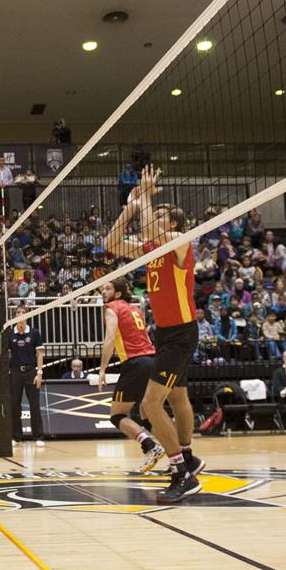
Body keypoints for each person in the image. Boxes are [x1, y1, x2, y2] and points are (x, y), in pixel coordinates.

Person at [104, 167, 203, 503]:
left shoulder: (179, 242)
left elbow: (150, 229)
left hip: (182, 333)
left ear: (173, 223)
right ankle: (188, 457)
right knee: (177, 399)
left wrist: (145, 196)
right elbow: (111, 243)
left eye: (161, 214)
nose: (154, 217)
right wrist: (130, 207)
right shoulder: (151, 250)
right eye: (155, 213)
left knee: (149, 404)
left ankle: (181, 473)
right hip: (165, 334)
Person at [95, 278, 165, 472]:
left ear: (117, 293)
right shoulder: (135, 309)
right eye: (102, 289)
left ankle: (150, 446)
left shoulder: (111, 307)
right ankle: (180, 455)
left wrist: (102, 369)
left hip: (135, 363)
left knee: (117, 415)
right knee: (148, 414)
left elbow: (110, 338)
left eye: (107, 288)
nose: (103, 292)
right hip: (152, 360)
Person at [6, 315, 44, 437]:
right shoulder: (10, 333)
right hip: (15, 372)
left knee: (34, 405)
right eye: (18, 312)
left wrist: (39, 373)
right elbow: (5, 353)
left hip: (31, 372)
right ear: (15, 316)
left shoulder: (34, 332)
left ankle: (38, 436)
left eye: (24, 312)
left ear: (28, 315)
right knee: (14, 405)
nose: (21, 314)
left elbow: (40, 354)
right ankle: (16, 436)